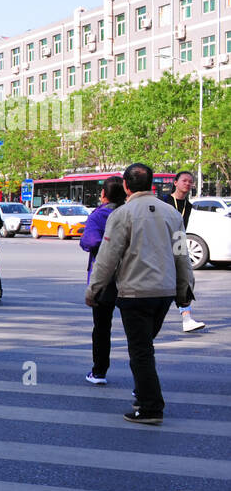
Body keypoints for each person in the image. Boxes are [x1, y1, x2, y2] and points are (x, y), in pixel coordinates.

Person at [86, 163, 195, 425]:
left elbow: (107, 258)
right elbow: (182, 255)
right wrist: (185, 290)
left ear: (126, 185)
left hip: (135, 293)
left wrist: (95, 289)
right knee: (145, 346)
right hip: (165, 293)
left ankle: (150, 406)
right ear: (152, 185)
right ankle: (144, 393)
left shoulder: (122, 215)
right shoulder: (172, 214)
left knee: (141, 350)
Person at [80, 176, 125, 385]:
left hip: (104, 278)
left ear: (103, 195)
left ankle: (99, 372)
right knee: (136, 332)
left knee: (102, 327)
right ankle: (142, 383)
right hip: (133, 277)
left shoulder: (99, 215)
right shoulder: (130, 212)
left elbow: (89, 241)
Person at [158, 170, 206, 332]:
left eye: (190, 181)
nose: (187, 183)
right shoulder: (163, 202)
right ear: (176, 183)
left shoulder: (189, 206)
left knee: (185, 279)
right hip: (161, 245)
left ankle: (187, 318)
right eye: (184, 180)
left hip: (179, 244)